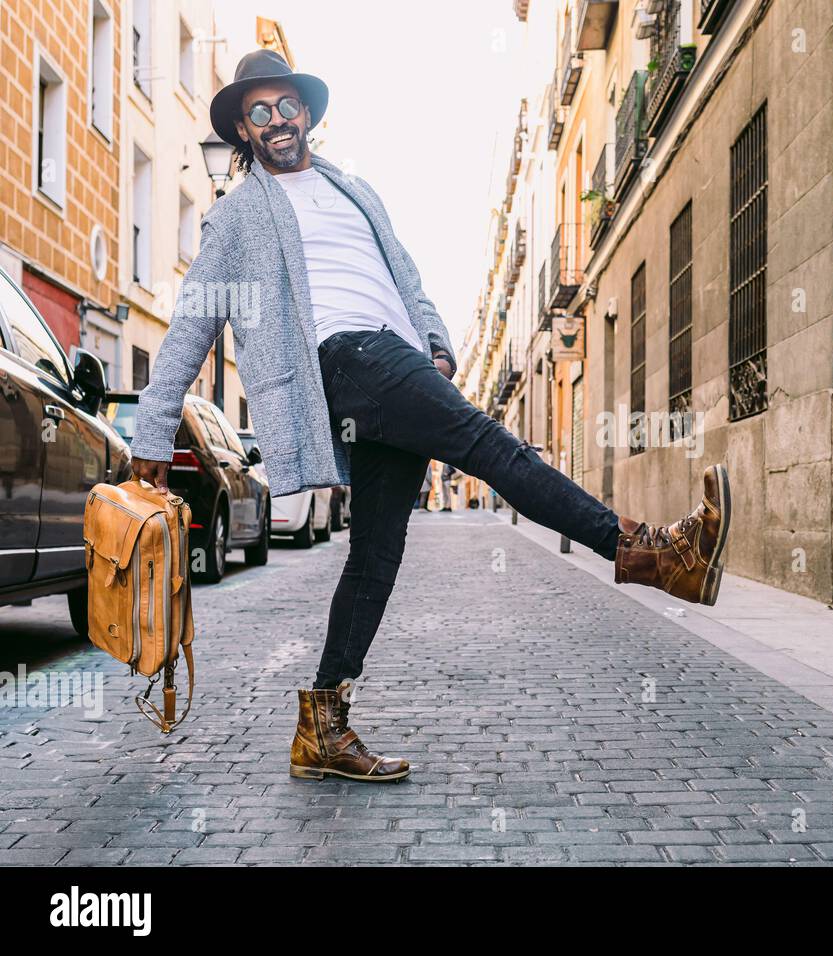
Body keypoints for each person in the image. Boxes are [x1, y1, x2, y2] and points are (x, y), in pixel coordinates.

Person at [127, 50, 732, 784]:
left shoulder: (354, 189)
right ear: (244, 131)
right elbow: (192, 323)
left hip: (395, 355)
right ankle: (650, 553)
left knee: (376, 553)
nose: (277, 120)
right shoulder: (237, 218)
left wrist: (438, 342)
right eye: (258, 112)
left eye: (286, 105)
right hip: (342, 361)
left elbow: (402, 273)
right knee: (485, 441)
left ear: (308, 113)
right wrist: (152, 433)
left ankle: (322, 726)